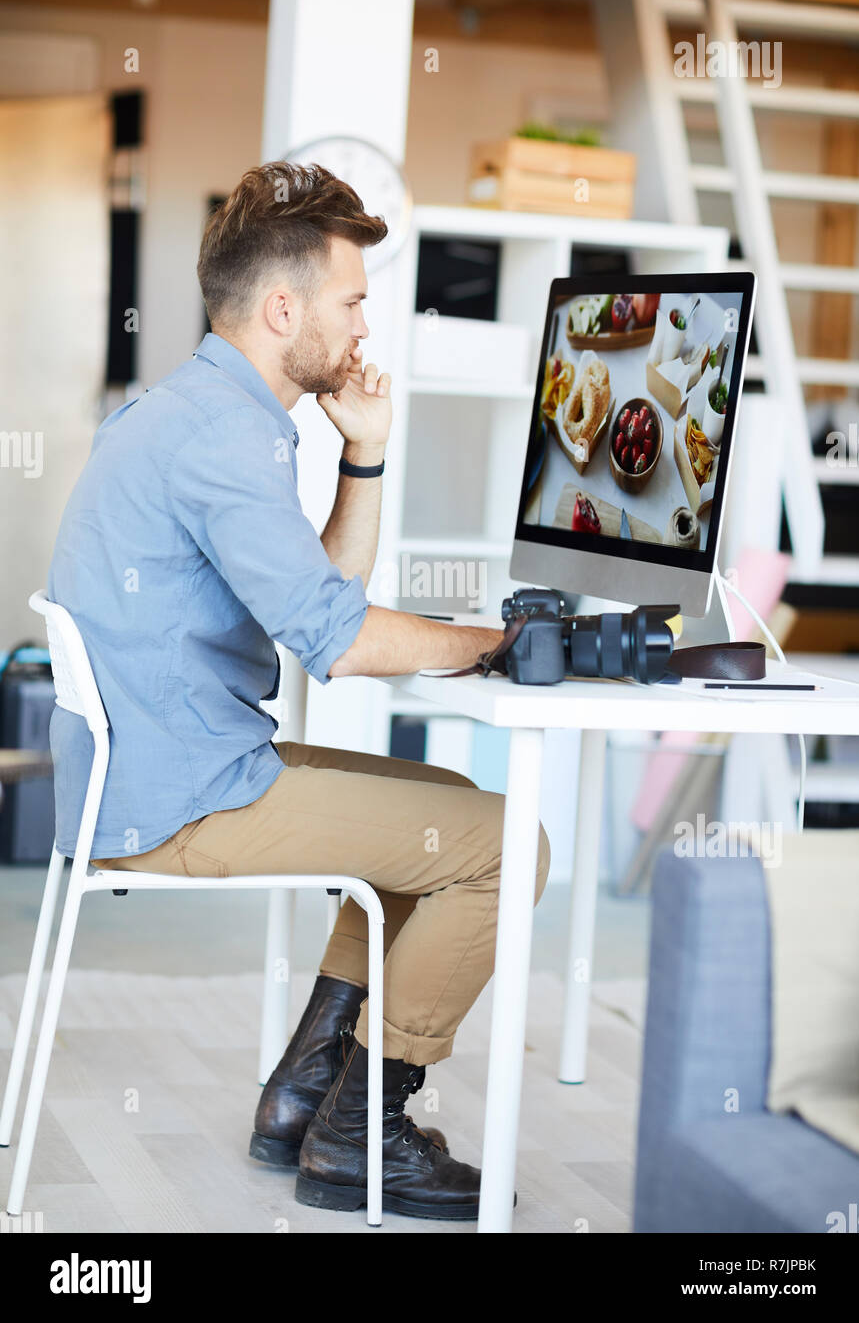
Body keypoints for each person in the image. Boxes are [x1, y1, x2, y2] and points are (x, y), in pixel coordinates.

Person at [47, 160, 551, 1222]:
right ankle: (362, 1134)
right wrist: (501, 641)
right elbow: (335, 639)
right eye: (353, 299)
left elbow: (324, 598)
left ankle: (305, 1098)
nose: (367, 323)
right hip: (182, 794)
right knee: (511, 843)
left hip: (164, 766)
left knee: (445, 804)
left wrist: (360, 459)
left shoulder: (198, 412)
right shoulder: (223, 437)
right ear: (284, 309)